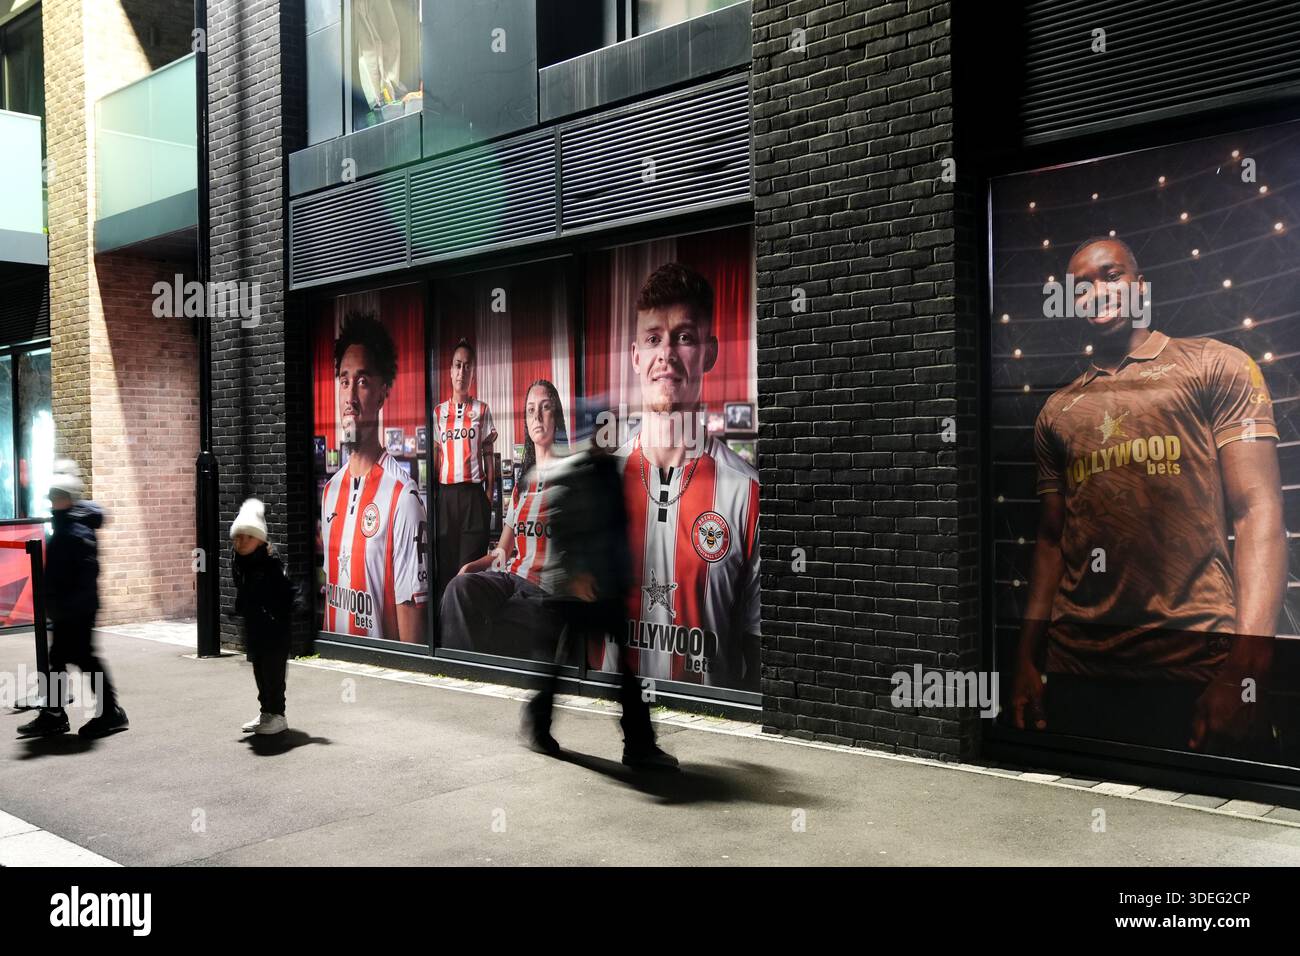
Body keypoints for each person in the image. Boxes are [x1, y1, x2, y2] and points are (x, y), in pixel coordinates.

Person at [1011, 236, 1285, 757]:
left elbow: (1258, 513)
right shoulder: (1056, 412)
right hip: (1077, 669)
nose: (1097, 292)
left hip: (1195, 664)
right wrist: (1026, 657)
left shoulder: (1216, 365)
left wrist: (1247, 669)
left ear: (1140, 284)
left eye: (1111, 275)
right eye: (1081, 287)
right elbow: (1050, 541)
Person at [601, 262, 761, 690]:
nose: (666, 355)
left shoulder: (747, 494)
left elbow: (759, 656)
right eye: (653, 338)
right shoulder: (598, 487)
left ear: (709, 352)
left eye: (684, 337)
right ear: (636, 357)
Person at [523, 407, 678, 771]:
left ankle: (635, 744)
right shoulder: (574, 472)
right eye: (602, 430)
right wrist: (577, 575)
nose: (608, 437)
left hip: (604, 588)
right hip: (576, 592)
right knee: (563, 666)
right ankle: (542, 725)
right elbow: (559, 525)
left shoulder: (609, 471)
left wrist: (623, 577)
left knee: (613, 671)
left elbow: (614, 529)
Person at [321, 312, 429, 643]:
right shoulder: (329, 492)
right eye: (344, 380)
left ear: (383, 394)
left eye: (363, 382)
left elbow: (412, 641)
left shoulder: (403, 499)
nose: (350, 398)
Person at [440, 380, 562, 657]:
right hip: (511, 577)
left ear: (557, 417)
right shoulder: (522, 486)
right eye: (531, 410)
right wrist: (470, 568)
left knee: (502, 624)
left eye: (546, 408)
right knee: (458, 590)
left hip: (545, 589)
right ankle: (460, 681)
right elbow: (502, 552)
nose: (538, 417)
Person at [18, 460, 127, 739]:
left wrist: (67, 606)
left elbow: (85, 572)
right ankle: (60, 714)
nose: (54, 500)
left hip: (76, 609)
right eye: (53, 496)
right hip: (69, 608)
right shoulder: (67, 524)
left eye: (59, 495)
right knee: (66, 659)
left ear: (70, 497)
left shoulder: (76, 530)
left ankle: (108, 713)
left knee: (84, 660)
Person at [433, 339, 497, 602]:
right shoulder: (438, 412)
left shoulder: (482, 410)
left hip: (474, 497)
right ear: (450, 371)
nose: (462, 372)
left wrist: (488, 495)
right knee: (445, 570)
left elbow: (488, 456)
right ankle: (443, 634)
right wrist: (436, 497)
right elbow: (437, 458)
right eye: (457, 366)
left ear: (473, 372)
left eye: (467, 367)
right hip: (446, 498)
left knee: (468, 573)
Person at [231, 499, 295, 736]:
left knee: (273, 673)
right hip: (256, 627)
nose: (241, 542)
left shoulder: (270, 562)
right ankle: (266, 711)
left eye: (248, 537)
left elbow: (285, 595)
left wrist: (274, 616)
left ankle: (278, 714)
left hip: (274, 630)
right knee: (259, 671)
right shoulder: (239, 560)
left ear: (260, 538)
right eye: (238, 537)